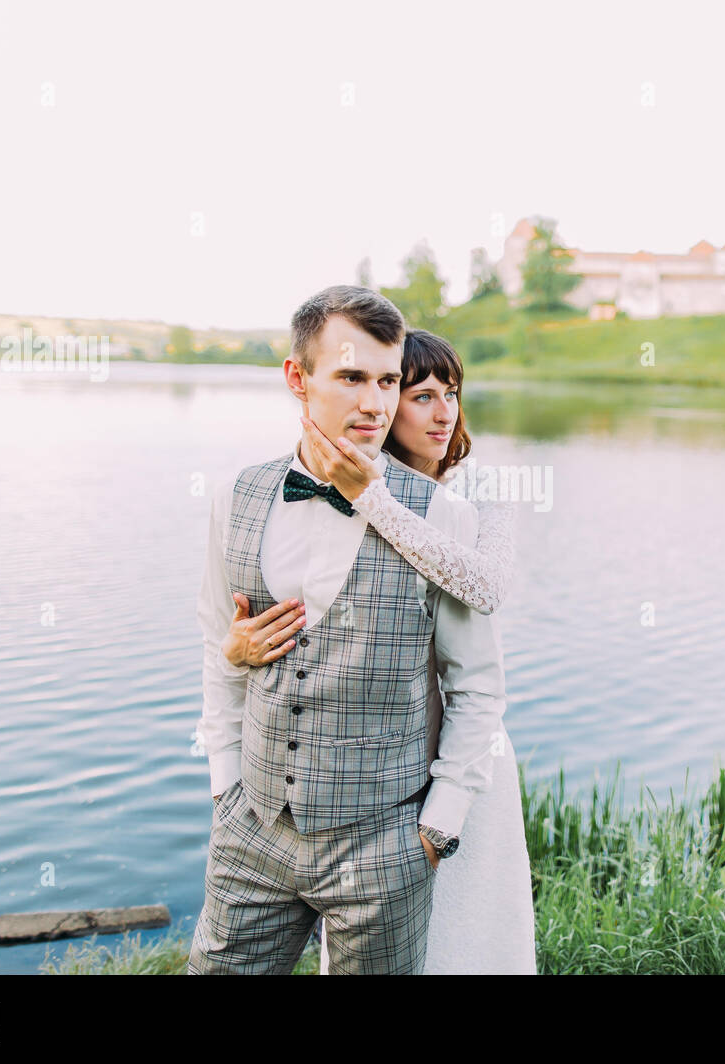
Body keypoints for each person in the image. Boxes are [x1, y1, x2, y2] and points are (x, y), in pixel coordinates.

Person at [188, 286, 507, 974]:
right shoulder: (236, 496)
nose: (375, 403)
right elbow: (219, 647)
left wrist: (435, 828)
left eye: (388, 380)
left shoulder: (443, 514)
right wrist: (224, 786)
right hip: (253, 831)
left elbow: (477, 687)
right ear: (298, 380)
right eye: (352, 377)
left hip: (385, 846)